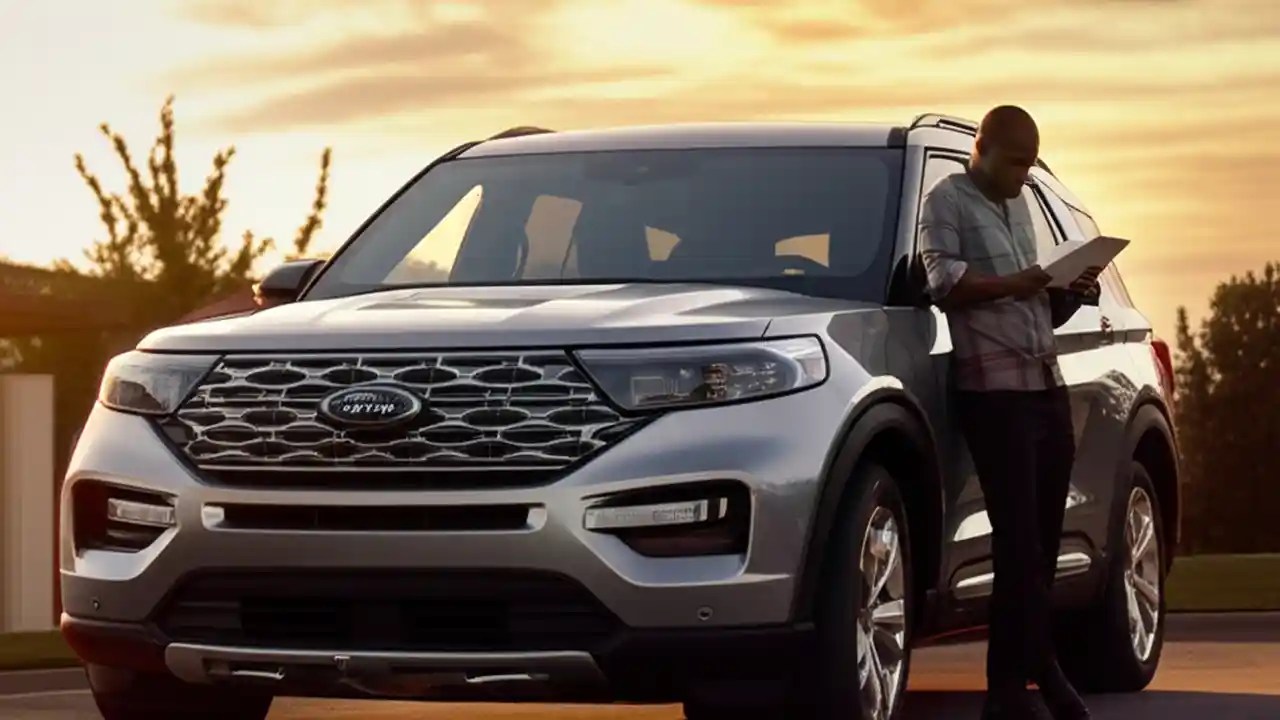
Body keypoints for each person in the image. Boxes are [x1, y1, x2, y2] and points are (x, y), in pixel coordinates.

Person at [918, 105, 1101, 720]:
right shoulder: (946, 201)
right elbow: (943, 282)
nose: (1025, 174)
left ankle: (1024, 678)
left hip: (1045, 386)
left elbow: (1034, 303)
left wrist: (1066, 293)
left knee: (1042, 546)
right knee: (1017, 546)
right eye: (1016, 162)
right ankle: (1020, 683)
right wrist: (1015, 285)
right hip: (993, 396)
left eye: (1031, 164)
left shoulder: (1021, 207)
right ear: (983, 147)